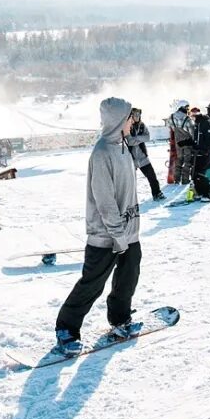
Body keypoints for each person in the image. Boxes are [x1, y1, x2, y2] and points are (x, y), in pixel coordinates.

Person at [53, 97, 142, 355]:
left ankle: (120, 319)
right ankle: (67, 329)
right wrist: (117, 235)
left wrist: (128, 233)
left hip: (129, 232)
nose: (132, 121)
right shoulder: (102, 153)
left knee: (128, 279)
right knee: (92, 283)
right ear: (117, 121)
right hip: (106, 235)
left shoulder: (123, 146)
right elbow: (104, 201)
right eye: (129, 117)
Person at [126, 107, 165, 201]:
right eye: (135, 114)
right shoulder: (126, 126)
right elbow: (129, 141)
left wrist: (136, 139)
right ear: (131, 115)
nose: (137, 116)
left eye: (139, 114)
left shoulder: (142, 125)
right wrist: (139, 139)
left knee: (152, 176)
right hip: (130, 158)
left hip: (142, 156)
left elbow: (147, 137)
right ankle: (127, 200)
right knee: (129, 181)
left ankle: (157, 193)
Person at [190, 106, 210, 200]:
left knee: (200, 174)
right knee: (194, 174)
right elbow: (197, 140)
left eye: (194, 114)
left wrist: (205, 150)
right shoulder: (197, 124)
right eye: (191, 114)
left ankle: (209, 194)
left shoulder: (205, 123)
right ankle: (200, 192)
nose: (192, 116)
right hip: (197, 153)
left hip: (205, 153)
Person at [166, 100, 195, 184]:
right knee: (187, 161)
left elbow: (169, 126)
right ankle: (185, 180)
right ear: (183, 107)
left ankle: (176, 179)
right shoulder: (187, 119)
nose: (188, 109)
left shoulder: (171, 117)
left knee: (179, 160)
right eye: (187, 107)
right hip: (187, 142)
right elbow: (192, 132)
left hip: (177, 142)